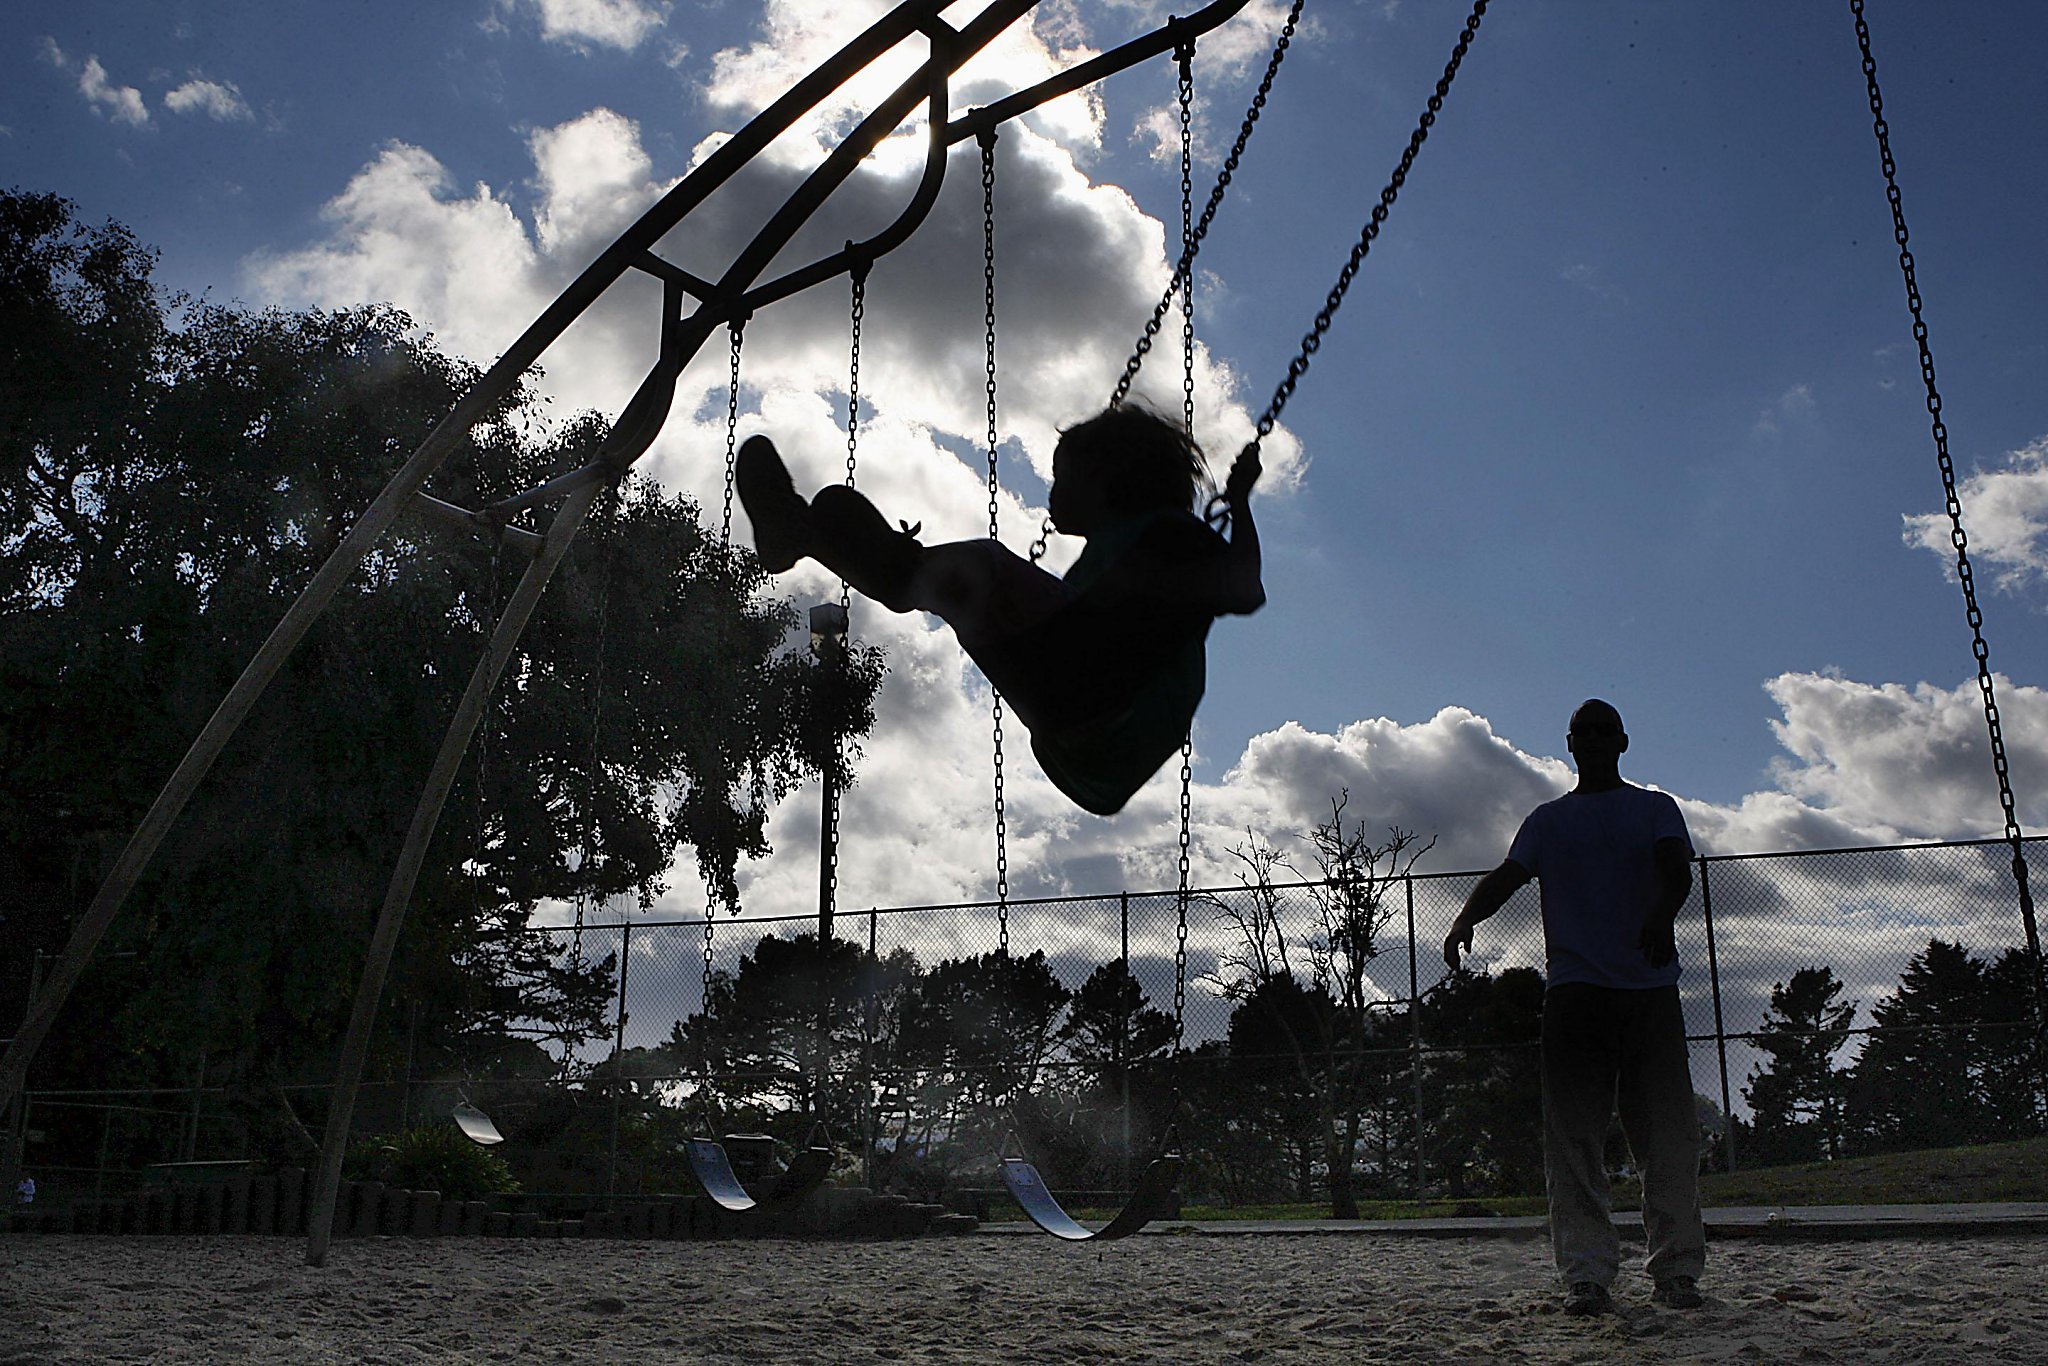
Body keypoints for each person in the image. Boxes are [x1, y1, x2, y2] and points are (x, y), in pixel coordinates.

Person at [736, 404, 1264, 816]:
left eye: (1064, 478)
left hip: (1115, 713)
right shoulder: (1117, 554)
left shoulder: (1169, 536)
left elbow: (1241, 587)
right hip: (1074, 718)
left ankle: (888, 562)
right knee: (971, 588)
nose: (1053, 493)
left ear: (1109, 480)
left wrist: (1238, 503)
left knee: (982, 568)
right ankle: (810, 536)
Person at [1442, 699, 1706, 1316]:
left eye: (1601, 730)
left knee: (1667, 1137)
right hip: (1575, 995)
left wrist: (1661, 918)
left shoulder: (1654, 808)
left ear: (1622, 741)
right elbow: (1508, 875)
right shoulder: (1547, 820)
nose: (1591, 739)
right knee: (1573, 1140)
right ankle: (1586, 1275)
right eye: (1582, 731)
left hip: (1647, 991)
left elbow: (1676, 872)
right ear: (1569, 743)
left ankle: (1677, 1272)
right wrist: (1463, 919)